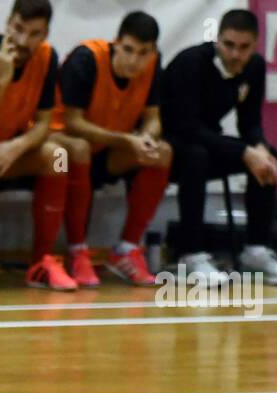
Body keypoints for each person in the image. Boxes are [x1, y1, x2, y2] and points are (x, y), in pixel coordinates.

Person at [161, 8, 277, 286]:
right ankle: (191, 255)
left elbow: (250, 122)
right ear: (217, 40)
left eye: (244, 47)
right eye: (229, 45)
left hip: (207, 142)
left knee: (268, 157)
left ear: (255, 45)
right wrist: (245, 153)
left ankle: (255, 251)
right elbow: (187, 127)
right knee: (196, 156)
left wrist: (258, 147)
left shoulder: (255, 67)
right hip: (171, 145)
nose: (235, 54)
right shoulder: (191, 63)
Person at [48, 11, 169, 287]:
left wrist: (147, 138)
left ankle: (126, 249)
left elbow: (153, 118)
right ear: (116, 43)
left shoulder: (153, 65)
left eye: (143, 53)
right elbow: (72, 123)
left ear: (152, 52)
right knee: (77, 148)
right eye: (128, 50)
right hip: (58, 151)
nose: (134, 60)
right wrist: (128, 140)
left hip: (106, 148)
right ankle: (77, 251)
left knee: (163, 153)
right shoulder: (86, 59)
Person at [0, 0, 73, 290]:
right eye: (18, 29)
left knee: (58, 155)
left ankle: (41, 261)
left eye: (34, 33)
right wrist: (1, 81)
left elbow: (44, 123)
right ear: (8, 23)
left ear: (46, 33)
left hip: (11, 151)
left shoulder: (47, 58)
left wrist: (17, 146)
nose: (23, 41)